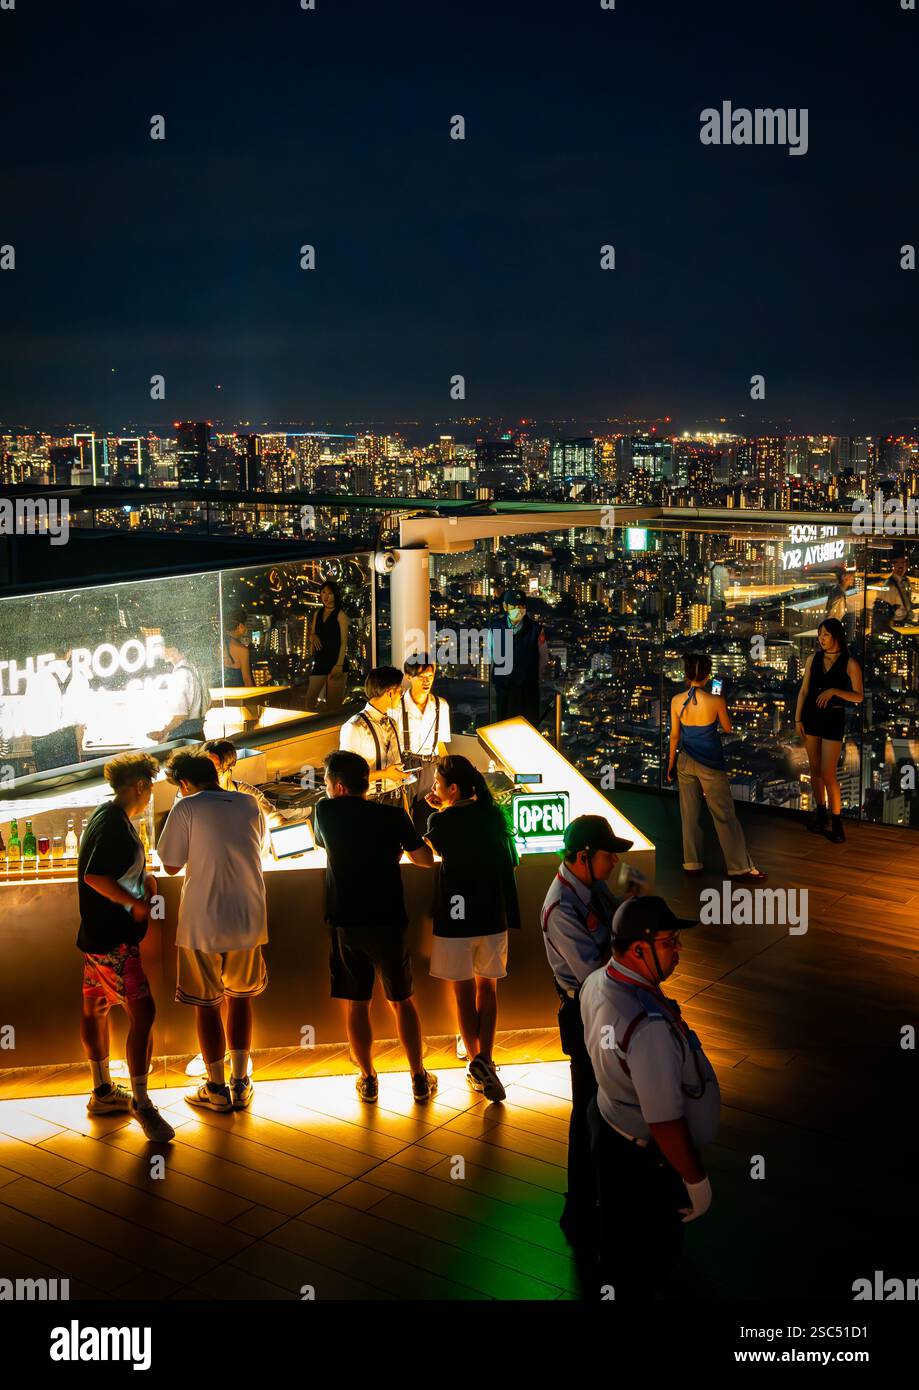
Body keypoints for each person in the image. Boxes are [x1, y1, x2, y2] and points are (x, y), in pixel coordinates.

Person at [580, 895, 721, 1300]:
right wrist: (697, 1183)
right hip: (645, 1161)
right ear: (639, 949)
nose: (678, 949)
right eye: (669, 941)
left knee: (618, 1246)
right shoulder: (647, 1026)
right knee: (650, 1262)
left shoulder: (597, 981)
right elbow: (663, 1120)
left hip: (608, 1126)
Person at [313, 749, 437, 1103]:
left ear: (337, 787)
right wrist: (400, 849)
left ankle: (367, 1078)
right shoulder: (393, 816)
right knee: (402, 1000)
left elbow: (325, 843)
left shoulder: (326, 811)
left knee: (357, 1003)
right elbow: (425, 860)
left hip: (347, 920)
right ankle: (417, 1076)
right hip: (388, 919)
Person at [540, 814, 636, 1244]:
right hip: (584, 1014)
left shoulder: (589, 888)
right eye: (607, 855)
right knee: (587, 1112)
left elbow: (612, 923)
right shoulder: (560, 908)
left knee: (602, 1105)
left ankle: (594, 1201)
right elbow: (593, 972)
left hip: (602, 1008)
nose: (613, 862)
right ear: (583, 857)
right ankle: (580, 1206)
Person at [157, 751, 268, 1113]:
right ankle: (240, 1082)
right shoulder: (250, 804)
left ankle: (216, 1088)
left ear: (185, 784)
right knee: (240, 998)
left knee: (206, 1003)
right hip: (248, 915)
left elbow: (171, 865)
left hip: (202, 919)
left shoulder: (186, 808)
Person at [77, 752, 175, 1144]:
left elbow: (114, 871)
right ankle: (142, 1103)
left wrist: (142, 882)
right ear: (139, 786)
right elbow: (95, 876)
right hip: (114, 941)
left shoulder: (109, 816)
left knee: (95, 1006)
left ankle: (102, 1091)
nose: (151, 794)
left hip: (97, 937)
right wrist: (135, 904)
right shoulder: (115, 826)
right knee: (144, 1013)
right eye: (149, 786)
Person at [423, 754, 519, 1102]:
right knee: (488, 991)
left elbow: (428, 848)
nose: (432, 789)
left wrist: (440, 810)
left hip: (456, 917)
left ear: (452, 788)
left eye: (437, 784)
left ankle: (478, 1062)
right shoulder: (493, 815)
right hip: (492, 916)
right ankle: (486, 1060)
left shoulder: (441, 822)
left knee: (463, 994)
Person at [667, 653, 766, 881]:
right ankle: (739, 867)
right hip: (710, 761)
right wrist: (718, 697)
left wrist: (671, 765)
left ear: (686, 674)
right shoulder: (715, 699)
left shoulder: (675, 700)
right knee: (724, 814)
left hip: (684, 761)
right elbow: (728, 727)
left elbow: (674, 736)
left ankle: (691, 863)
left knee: (689, 815)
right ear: (708, 675)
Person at [795, 617, 864, 843]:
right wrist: (798, 719)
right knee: (814, 771)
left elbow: (858, 696)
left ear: (836, 636)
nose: (821, 639)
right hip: (811, 716)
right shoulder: (812, 659)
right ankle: (821, 814)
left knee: (828, 774)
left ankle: (837, 822)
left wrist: (835, 690)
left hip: (833, 718)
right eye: (819, 635)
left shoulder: (849, 663)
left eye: (825, 635)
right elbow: (804, 691)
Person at [397, 654, 451, 832]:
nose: (426, 681)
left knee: (428, 817)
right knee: (402, 817)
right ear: (408, 676)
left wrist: (449, 772)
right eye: (421, 677)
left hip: (431, 765)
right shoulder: (396, 706)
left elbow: (441, 744)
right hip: (406, 764)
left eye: (430, 676)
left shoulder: (441, 705)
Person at [339, 666, 411, 794]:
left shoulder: (392, 722)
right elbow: (346, 775)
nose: (401, 695)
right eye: (400, 691)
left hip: (398, 794)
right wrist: (384, 774)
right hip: (373, 799)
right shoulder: (355, 726)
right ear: (390, 693)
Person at [489, 587, 549, 725]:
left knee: (528, 728)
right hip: (504, 688)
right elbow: (491, 656)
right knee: (502, 729)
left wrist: (531, 676)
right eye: (514, 606)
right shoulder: (495, 628)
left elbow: (543, 659)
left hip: (528, 689)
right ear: (505, 606)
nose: (518, 609)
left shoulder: (536, 630)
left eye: (521, 606)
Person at [150, 634, 209, 743]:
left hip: (182, 738)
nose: (161, 650)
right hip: (199, 733)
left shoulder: (178, 676)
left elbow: (180, 717)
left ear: (174, 650)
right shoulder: (196, 670)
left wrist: (162, 733)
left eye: (163, 646)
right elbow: (209, 702)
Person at [201, 738, 273, 819]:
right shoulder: (194, 796)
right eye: (206, 769)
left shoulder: (246, 793)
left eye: (217, 771)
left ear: (229, 769)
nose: (210, 775)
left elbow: (273, 816)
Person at [305, 581, 349, 712]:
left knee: (333, 706)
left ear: (335, 595)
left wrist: (339, 665)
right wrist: (311, 636)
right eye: (323, 592)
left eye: (330, 593)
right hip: (320, 661)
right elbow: (312, 634)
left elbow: (343, 641)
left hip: (337, 662)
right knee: (309, 699)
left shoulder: (340, 615)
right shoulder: (317, 613)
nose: (326, 596)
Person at [222, 610, 253, 689]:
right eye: (245, 624)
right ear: (240, 626)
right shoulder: (242, 650)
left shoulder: (219, 645)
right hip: (238, 697)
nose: (246, 628)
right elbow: (247, 681)